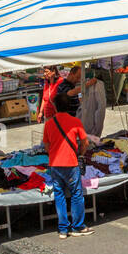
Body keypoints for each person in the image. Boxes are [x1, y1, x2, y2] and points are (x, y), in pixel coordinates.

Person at [44, 91, 93, 238]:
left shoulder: (49, 124)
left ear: (56, 107)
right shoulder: (75, 122)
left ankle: (63, 229)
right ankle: (77, 226)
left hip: (55, 164)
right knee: (76, 194)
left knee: (59, 195)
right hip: (71, 163)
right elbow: (85, 142)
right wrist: (80, 154)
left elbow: (46, 146)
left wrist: (53, 153)